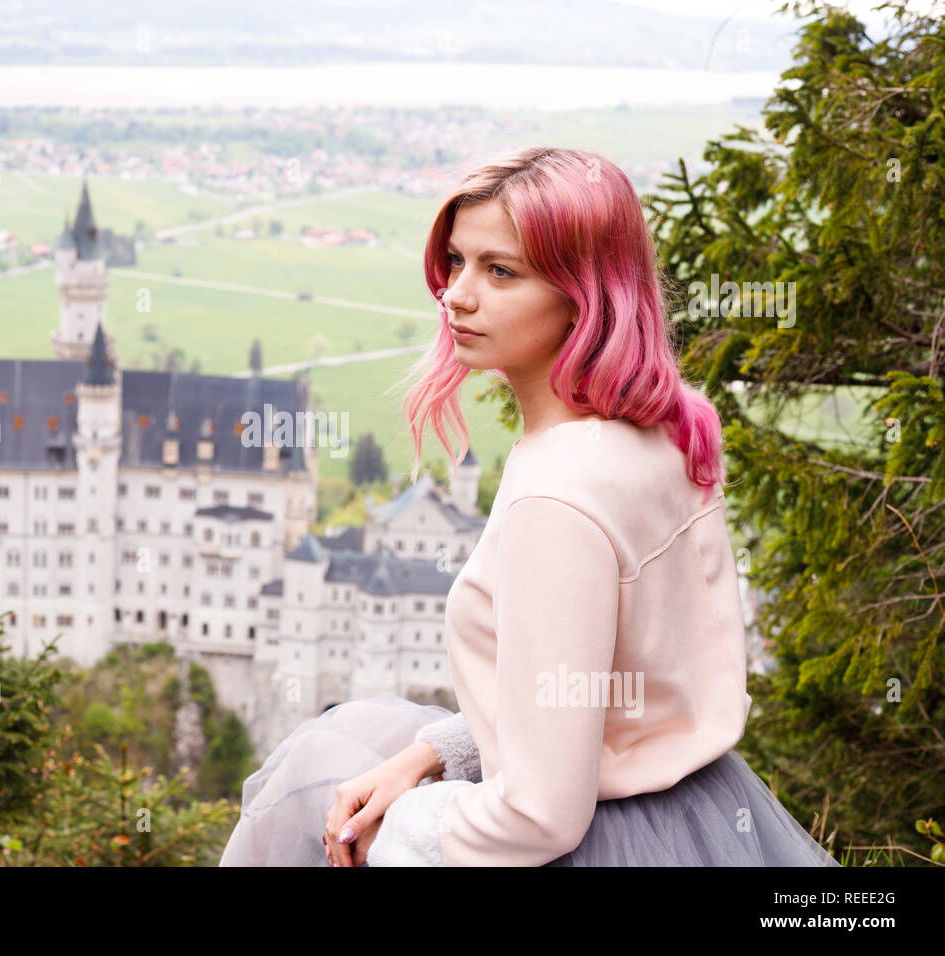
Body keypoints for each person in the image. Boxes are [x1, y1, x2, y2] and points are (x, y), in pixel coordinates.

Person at [217, 146, 841, 867]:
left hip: (590, 839)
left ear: (585, 293)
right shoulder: (671, 428)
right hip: (697, 813)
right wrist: (434, 754)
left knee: (312, 790)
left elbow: (541, 817)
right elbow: (601, 700)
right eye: (456, 261)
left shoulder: (557, 493)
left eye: (500, 271)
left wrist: (399, 832)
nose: (457, 294)